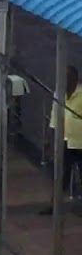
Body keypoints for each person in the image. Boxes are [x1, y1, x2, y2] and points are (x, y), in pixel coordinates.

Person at [41, 65, 82, 214]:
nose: (65, 81)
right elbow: (54, 119)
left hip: (80, 142)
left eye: (68, 78)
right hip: (65, 141)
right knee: (60, 176)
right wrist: (50, 140)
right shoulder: (59, 94)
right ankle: (54, 205)